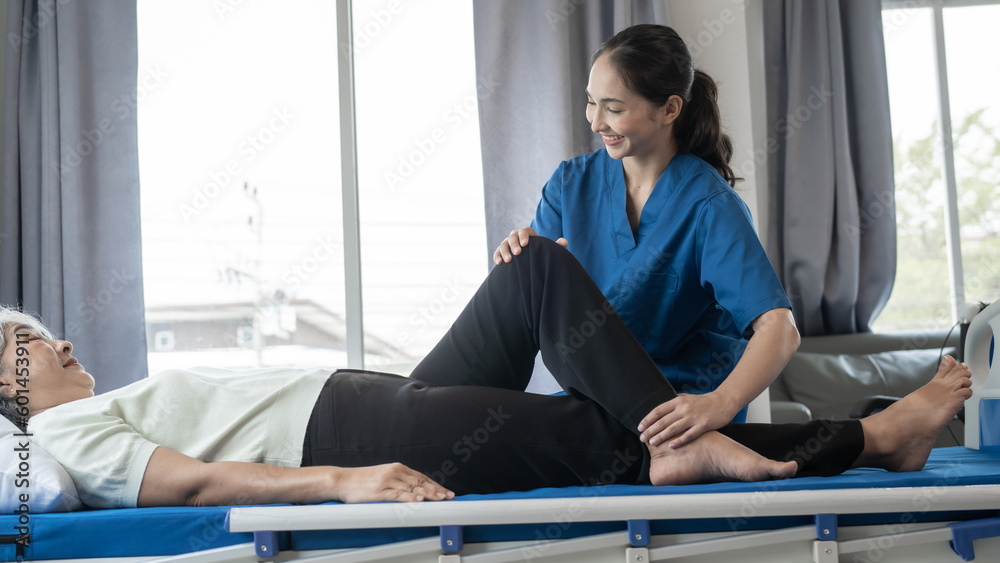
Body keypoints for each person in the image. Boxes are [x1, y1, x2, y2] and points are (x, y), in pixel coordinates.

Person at [0, 238, 973, 510]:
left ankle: (684, 440)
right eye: (33, 344)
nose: (61, 344)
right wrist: (343, 480)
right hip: (350, 436)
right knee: (603, 437)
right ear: (6, 381)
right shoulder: (57, 433)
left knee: (532, 268)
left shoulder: (85, 408)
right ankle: (874, 436)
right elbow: (192, 482)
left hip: (373, 399)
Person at [492, 24, 798, 448]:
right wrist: (521, 265)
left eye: (614, 108)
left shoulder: (709, 205)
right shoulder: (570, 184)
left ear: (669, 109)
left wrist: (720, 403)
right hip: (596, 404)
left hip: (672, 417)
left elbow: (780, 328)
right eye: (591, 102)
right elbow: (528, 306)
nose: (595, 121)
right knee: (477, 428)